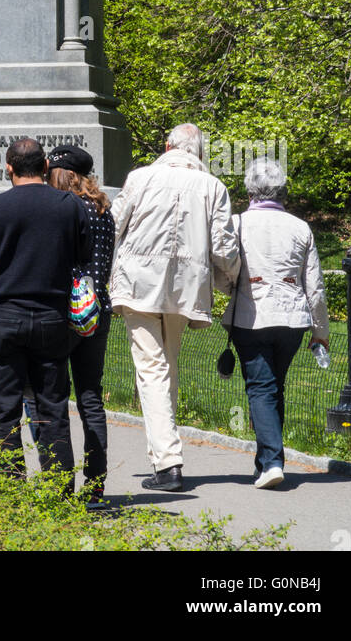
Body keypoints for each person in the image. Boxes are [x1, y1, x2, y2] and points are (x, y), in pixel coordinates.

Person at [110, 122, 240, 492]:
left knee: (152, 369)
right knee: (166, 366)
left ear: (168, 146)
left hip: (138, 283)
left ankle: (168, 464)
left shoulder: (140, 177)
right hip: (185, 288)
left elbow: (114, 224)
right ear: (198, 152)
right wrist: (231, 281)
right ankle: (164, 457)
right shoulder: (213, 186)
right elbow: (224, 246)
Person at [0, 136, 92, 486]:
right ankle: (59, 489)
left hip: (4, 316)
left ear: (8, 168)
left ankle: (9, 487)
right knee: (52, 407)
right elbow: (84, 253)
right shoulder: (69, 205)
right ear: (46, 166)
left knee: (3, 409)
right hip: (51, 317)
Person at [223, 157, 329, 489]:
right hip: (292, 319)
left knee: (260, 386)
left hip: (251, 315)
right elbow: (315, 286)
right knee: (274, 386)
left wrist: (230, 289)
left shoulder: (237, 223)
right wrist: (321, 332)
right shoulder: (301, 227)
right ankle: (266, 461)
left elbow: (224, 269)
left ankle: (271, 462)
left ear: (250, 189)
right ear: (282, 190)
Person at [46, 145, 115, 510]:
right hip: (96, 307)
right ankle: (97, 484)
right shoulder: (104, 208)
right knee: (91, 398)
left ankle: (61, 482)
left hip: (63, 310)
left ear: (61, 174)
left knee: (54, 398)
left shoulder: (65, 209)